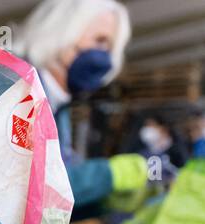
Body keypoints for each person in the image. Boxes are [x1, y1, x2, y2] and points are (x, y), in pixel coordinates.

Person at [14, 0, 146, 209]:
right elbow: (26, 182)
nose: (105, 56)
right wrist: (108, 176)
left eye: (110, 47)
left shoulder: (58, 107)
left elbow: (57, 189)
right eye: (100, 40)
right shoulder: (17, 86)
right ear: (62, 29)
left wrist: (102, 200)